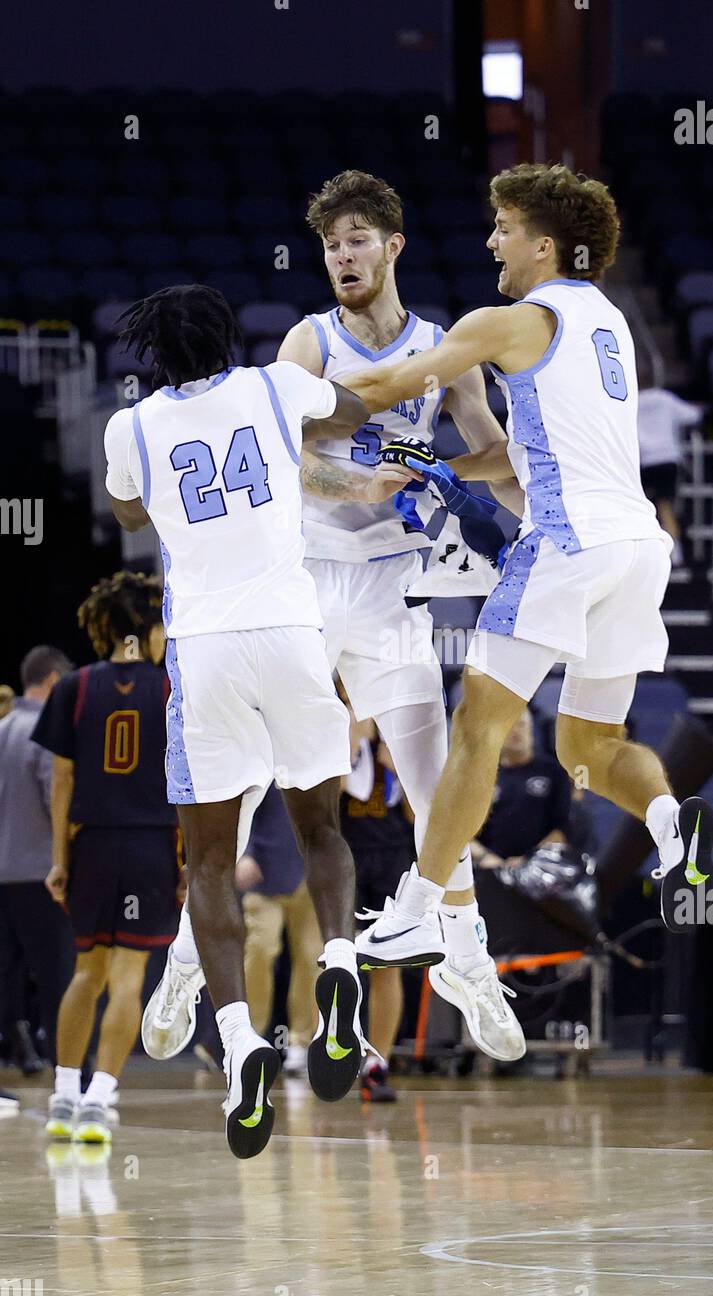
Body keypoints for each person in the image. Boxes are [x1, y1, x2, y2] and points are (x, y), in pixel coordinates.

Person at [337, 163, 713, 1028]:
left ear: (542, 244)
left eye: (503, 227)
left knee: (478, 725)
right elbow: (517, 456)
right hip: (637, 548)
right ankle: (671, 823)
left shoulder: (512, 319)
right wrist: (433, 466)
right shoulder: (607, 323)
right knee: (588, 748)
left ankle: (416, 910)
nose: (491, 241)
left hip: (568, 544)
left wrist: (282, 399)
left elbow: (401, 381)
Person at [104, 284, 408, 1157]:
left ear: (154, 353)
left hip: (204, 650)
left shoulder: (133, 426)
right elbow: (350, 409)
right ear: (228, 337)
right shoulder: (277, 385)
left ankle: (241, 1043)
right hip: (291, 631)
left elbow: (128, 508)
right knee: (322, 829)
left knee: (207, 858)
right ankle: (341, 968)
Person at [276, 169, 525, 1064]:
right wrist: (363, 479)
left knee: (435, 787)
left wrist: (451, 475)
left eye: (356, 239)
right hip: (303, 577)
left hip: (389, 583)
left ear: (393, 246)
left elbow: (493, 452)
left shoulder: (440, 347)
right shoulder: (309, 344)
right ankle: (196, 958)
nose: (342, 255)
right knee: (266, 776)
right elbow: (281, 449)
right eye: (330, 243)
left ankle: (469, 957)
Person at [33, 575, 180, 1144]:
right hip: (151, 847)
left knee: (85, 973)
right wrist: (189, 862)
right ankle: (100, 1100)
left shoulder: (75, 687)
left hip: (91, 845)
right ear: (146, 628)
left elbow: (61, 782)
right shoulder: (171, 689)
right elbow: (185, 784)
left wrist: (59, 858)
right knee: (127, 980)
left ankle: (64, 1097)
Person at [0, 645, 74, 1073]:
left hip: (3, 874)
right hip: (39, 873)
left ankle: (15, 1048)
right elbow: (56, 802)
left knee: (7, 976)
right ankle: (69, 1069)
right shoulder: (46, 732)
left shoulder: (4, 725)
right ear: (52, 682)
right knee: (56, 978)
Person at [341, 706, 415, 1102]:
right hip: (344, 855)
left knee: (387, 966)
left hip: (392, 857)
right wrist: (352, 741)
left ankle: (377, 1061)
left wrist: (400, 767)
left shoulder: (398, 734)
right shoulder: (333, 724)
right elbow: (322, 795)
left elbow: (421, 814)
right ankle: (334, 1049)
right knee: (337, 960)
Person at [234, 782, 320, 1072]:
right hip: (262, 869)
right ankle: (251, 1038)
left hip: (309, 869)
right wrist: (243, 853)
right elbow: (237, 806)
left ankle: (300, 1042)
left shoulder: (317, 752)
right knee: (260, 949)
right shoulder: (259, 752)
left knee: (312, 957)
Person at [471, 707, 574, 870]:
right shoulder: (483, 776)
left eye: (521, 725)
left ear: (531, 729)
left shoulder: (553, 771)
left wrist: (530, 860)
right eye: (509, 726)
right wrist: (486, 857)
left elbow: (566, 825)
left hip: (541, 867)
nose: (516, 731)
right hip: (491, 869)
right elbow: (464, 835)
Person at [637, 386, 702, 566]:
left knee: (642, 508)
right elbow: (693, 415)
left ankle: (651, 552)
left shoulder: (630, 399)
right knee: (665, 505)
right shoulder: (664, 398)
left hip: (643, 461)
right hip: (666, 460)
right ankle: (676, 553)